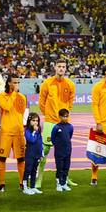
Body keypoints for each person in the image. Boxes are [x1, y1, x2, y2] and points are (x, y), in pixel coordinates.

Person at [38, 60, 76, 188]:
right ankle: (39, 179)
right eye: (59, 66)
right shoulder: (47, 83)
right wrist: (49, 115)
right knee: (44, 152)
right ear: (55, 67)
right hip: (50, 122)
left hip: (64, 124)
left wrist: (64, 117)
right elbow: (41, 102)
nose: (61, 69)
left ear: (66, 69)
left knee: (65, 153)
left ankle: (65, 178)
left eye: (63, 67)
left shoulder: (70, 84)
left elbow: (70, 103)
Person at [0, 75, 28, 193]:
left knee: (21, 158)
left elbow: (21, 112)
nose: (17, 84)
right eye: (15, 82)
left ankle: (22, 183)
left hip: (19, 131)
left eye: (18, 82)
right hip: (6, 132)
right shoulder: (1, 96)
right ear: (9, 83)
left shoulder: (22, 98)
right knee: (2, 158)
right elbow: (7, 107)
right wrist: (14, 93)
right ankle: (2, 183)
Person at [51, 109, 74, 191]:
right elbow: (53, 138)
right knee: (59, 168)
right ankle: (58, 184)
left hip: (68, 151)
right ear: (60, 117)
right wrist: (58, 146)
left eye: (67, 116)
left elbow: (69, 136)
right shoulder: (56, 127)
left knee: (66, 167)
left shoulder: (70, 127)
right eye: (63, 116)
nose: (65, 118)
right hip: (59, 152)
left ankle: (64, 183)